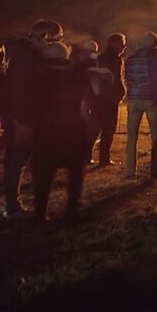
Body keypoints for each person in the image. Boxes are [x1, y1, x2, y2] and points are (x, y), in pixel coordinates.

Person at [2, 19, 64, 217]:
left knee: (21, 160)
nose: (57, 43)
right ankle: (12, 206)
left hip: (26, 115)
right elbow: (19, 89)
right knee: (17, 160)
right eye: (57, 38)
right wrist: (21, 118)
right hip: (24, 117)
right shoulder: (27, 56)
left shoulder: (26, 53)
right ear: (45, 36)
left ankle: (15, 204)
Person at [30, 41, 90, 224]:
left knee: (44, 176)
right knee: (75, 173)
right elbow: (84, 103)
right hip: (73, 130)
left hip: (45, 132)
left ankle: (39, 213)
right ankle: (71, 210)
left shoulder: (37, 77)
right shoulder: (76, 75)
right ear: (65, 56)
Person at [124, 31, 157, 182]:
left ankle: (130, 173)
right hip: (152, 99)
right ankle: (155, 172)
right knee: (156, 137)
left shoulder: (130, 60)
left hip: (133, 100)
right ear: (156, 45)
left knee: (131, 138)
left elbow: (127, 77)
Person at [92, 33, 126, 167]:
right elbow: (115, 78)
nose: (124, 46)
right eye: (121, 43)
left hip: (101, 97)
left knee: (97, 127)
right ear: (113, 43)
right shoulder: (114, 59)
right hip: (109, 99)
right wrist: (120, 92)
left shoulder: (101, 57)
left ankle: (88, 156)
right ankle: (104, 158)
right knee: (108, 129)